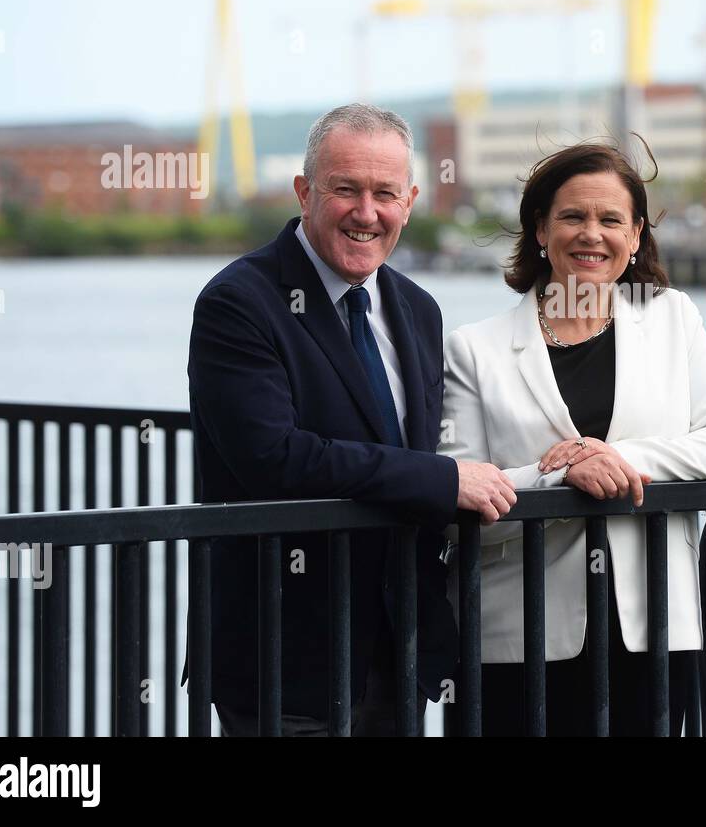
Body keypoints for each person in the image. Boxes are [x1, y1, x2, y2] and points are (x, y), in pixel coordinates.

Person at [185, 104, 515, 736]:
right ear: (305, 193)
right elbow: (272, 458)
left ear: (411, 200)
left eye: (386, 193)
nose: (367, 212)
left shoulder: (417, 309)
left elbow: (421, 440)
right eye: (346, 190)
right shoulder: (237, 302)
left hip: (398, 653)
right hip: (284, 657)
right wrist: (442, 479)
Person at [439, 139, 706, 736]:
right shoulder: (472, 349)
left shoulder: (673, 319)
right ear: (540, 228)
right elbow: (457, 498)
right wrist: (555, 476)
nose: (593, 234)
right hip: (517, 638)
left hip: (655, 631)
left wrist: (616, 460)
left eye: (611, 219)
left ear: (636, 235)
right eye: (572, 217)